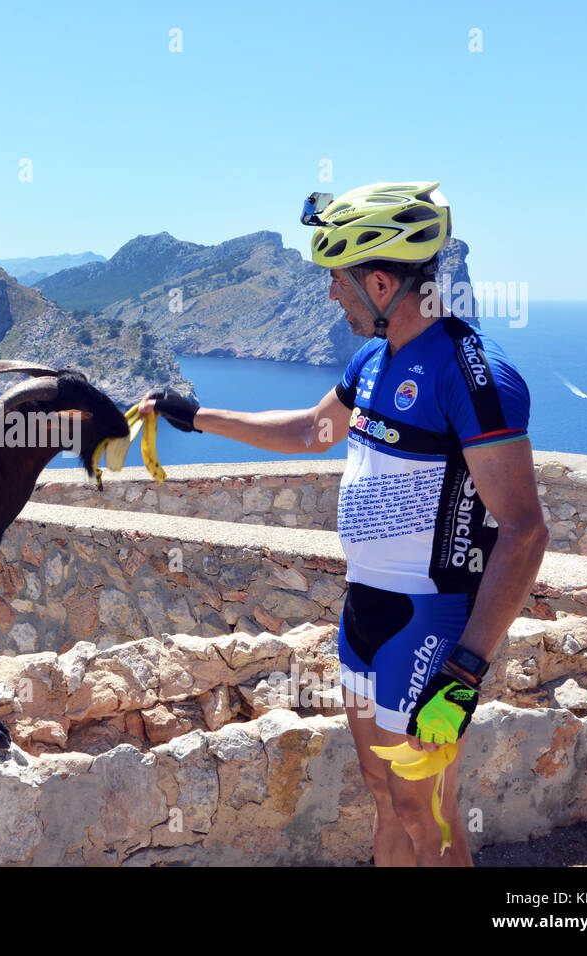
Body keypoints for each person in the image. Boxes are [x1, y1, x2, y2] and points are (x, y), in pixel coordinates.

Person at [139, 182, 549, 866]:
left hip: (433, 625)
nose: (332, 296)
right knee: (382, 792)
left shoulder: (472, 373)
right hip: (364, 613)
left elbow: (526, 530)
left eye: (338, 282)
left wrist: (466, 669)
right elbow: (309, 430)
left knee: (428, 808)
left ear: (381, 281)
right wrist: (196, 415)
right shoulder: (375, 356)